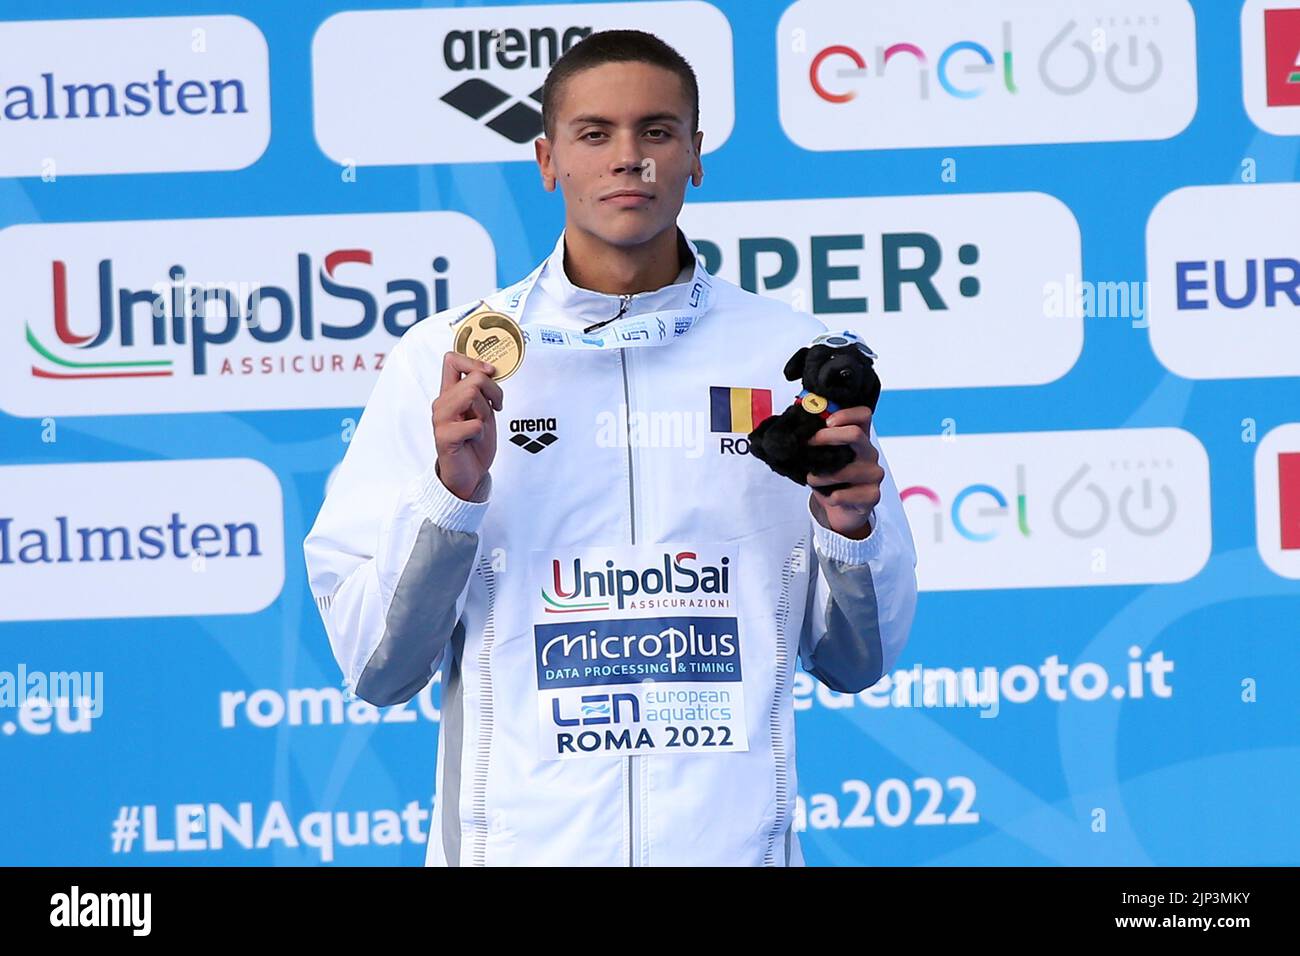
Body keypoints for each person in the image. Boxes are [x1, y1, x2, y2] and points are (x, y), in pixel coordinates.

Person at [303, 28, 918, 867]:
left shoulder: (793, 361)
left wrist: (851, 533)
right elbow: (377, 666)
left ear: (696, 154)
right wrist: (450, 497)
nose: (629, 158)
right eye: (595, 134)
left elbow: (856, 663)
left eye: (656, 131)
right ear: (548, 159)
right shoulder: (443, 360)